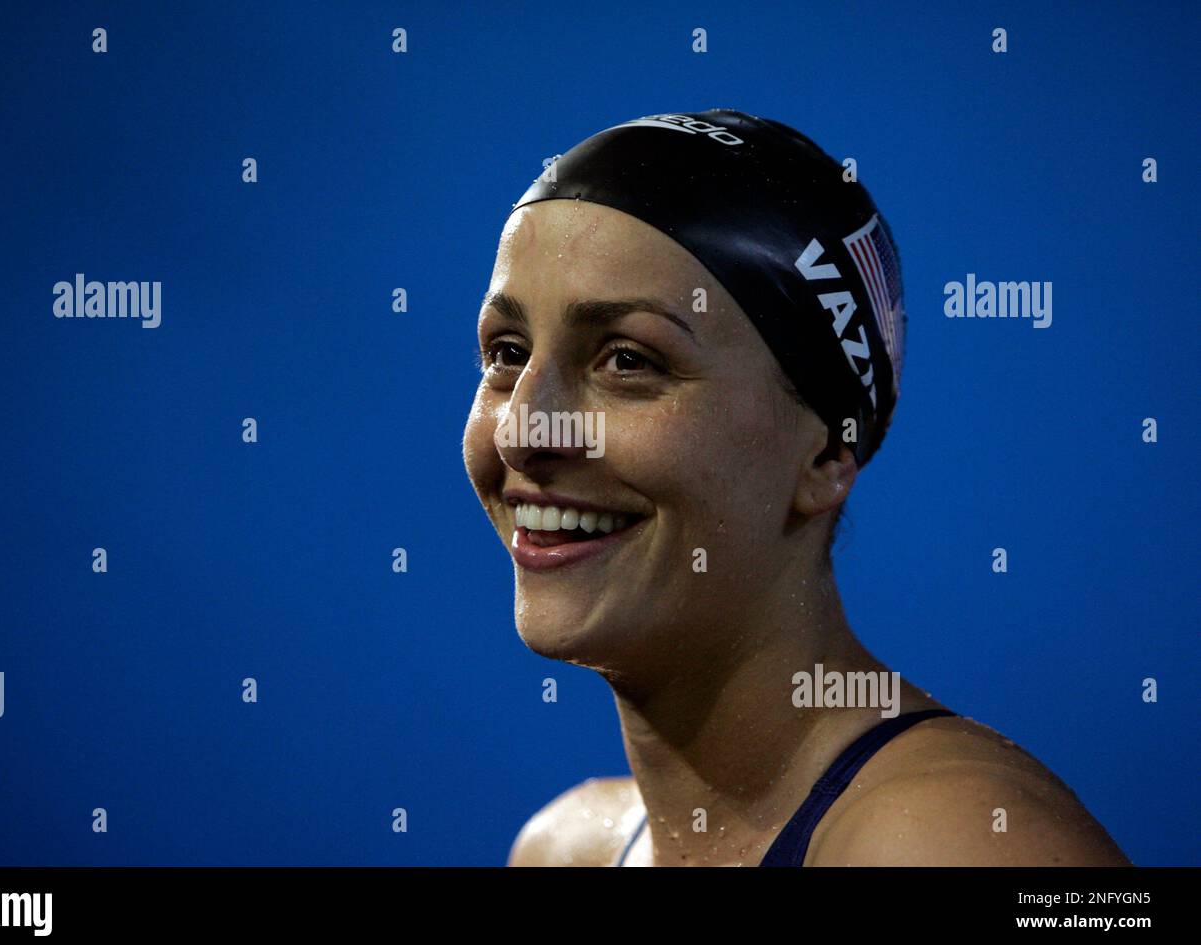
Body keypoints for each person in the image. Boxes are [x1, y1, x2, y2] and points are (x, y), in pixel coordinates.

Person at [461, 110, 1129, 866]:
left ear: (825, 456)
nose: (523, 430)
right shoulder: (565, 850)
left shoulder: (953, 842)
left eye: (627, 360)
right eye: (507, 353)